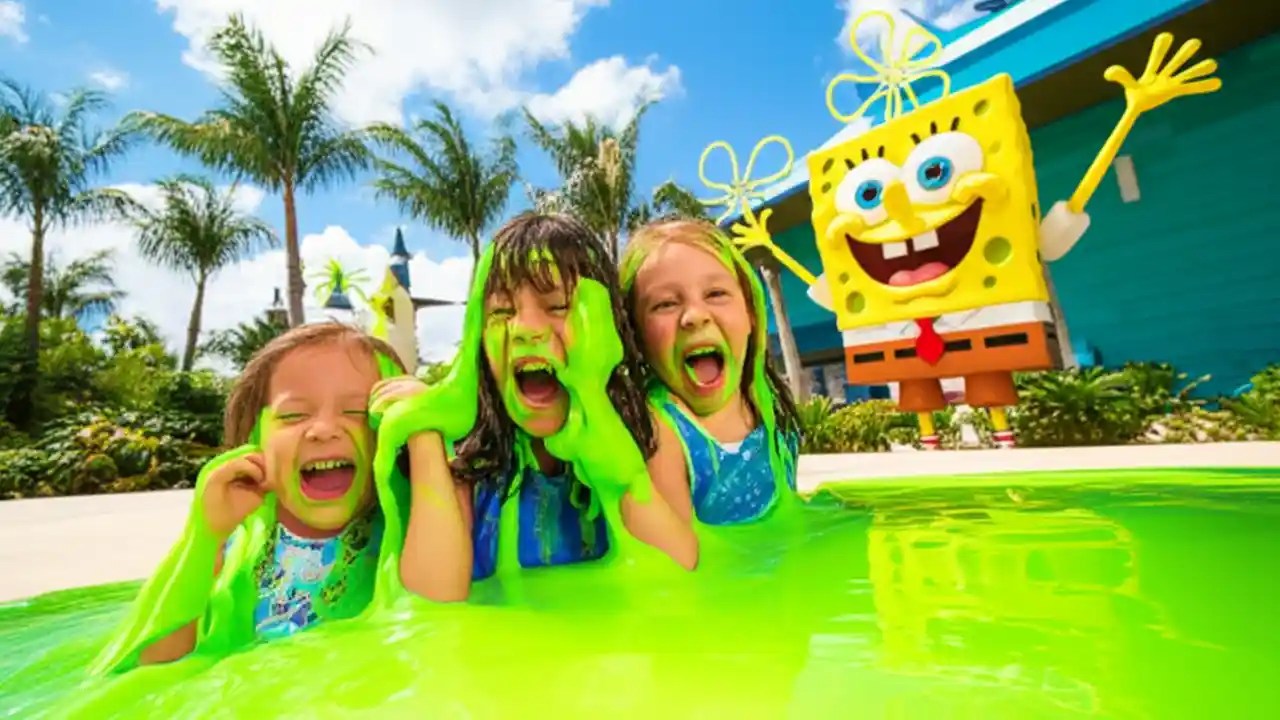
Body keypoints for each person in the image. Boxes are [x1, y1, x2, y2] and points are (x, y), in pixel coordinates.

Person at [376, 212, 699, 603]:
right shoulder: (463, 453)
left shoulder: (642, 430)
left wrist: (594, 407)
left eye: (559, 305)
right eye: (501, 312)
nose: (526, 327)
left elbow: (679, 570)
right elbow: (433, 603)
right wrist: (423, 430)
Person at [93, 323, 424, 673]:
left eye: (358, 412)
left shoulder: (404, 537)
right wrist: (204, 537)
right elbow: (155, 664)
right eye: (294, 414)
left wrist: (424, 430)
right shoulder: (234, 545)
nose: (324, 430)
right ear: (254, 438)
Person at [619, 219, 801, 526]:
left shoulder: (768, 406)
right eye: (665, 304)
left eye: (716, 293)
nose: (695, 316)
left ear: (751, 313)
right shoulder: (660, 430)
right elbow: (681, 558)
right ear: (636, 336)